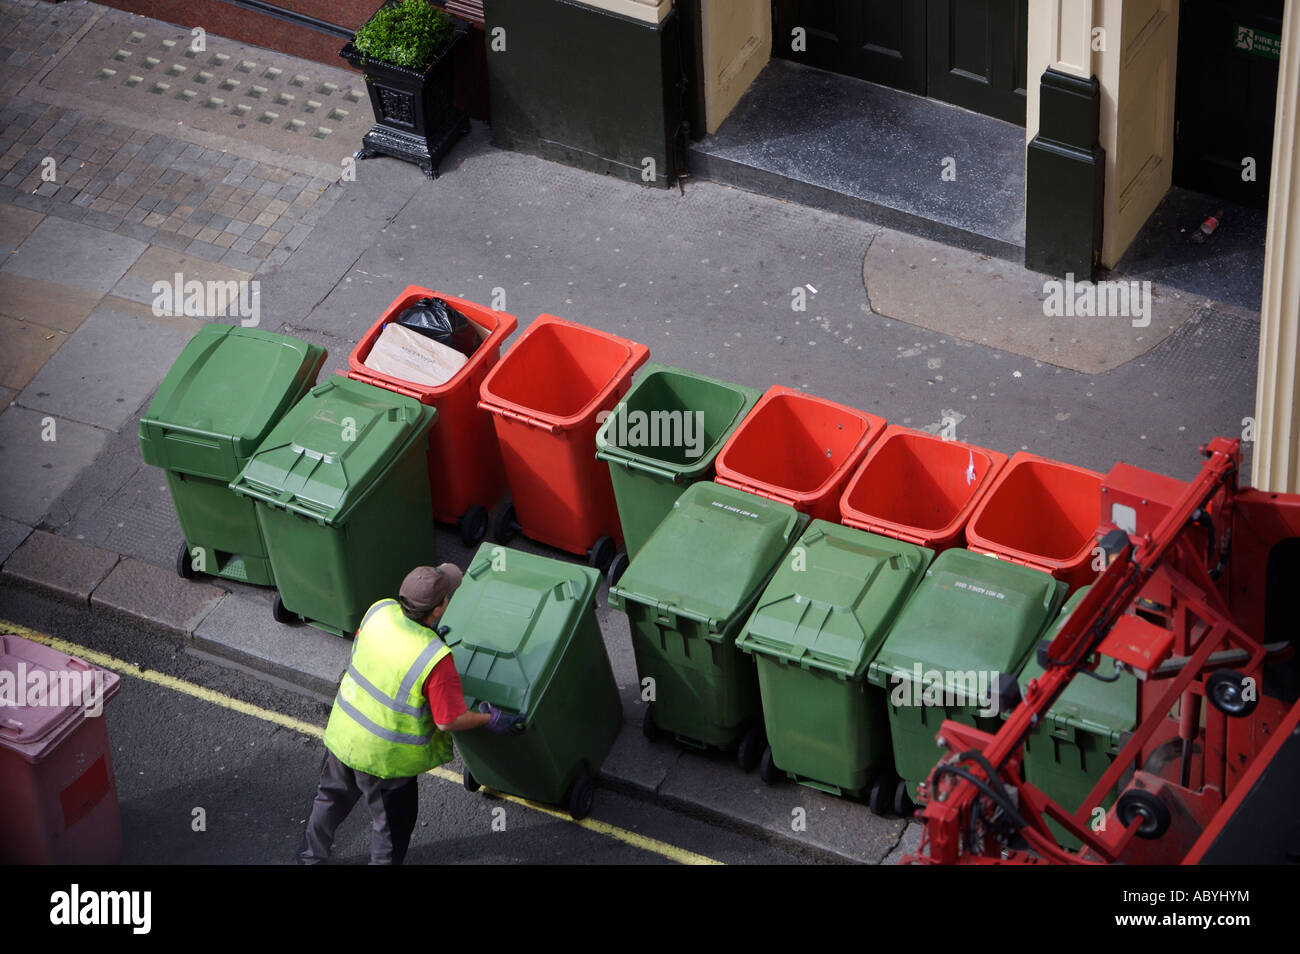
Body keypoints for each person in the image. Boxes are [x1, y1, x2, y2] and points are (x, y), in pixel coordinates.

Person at [298, 563, 523, 865]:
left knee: (328, 801)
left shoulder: (379, 611)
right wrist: (490, 719)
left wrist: (426, 634)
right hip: (385, 762)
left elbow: (374, 651)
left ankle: (310, 859)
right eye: (447, 598)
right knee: (390, 831)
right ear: (438, 610)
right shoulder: (435, 659)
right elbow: (448, 720)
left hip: (343, 736)